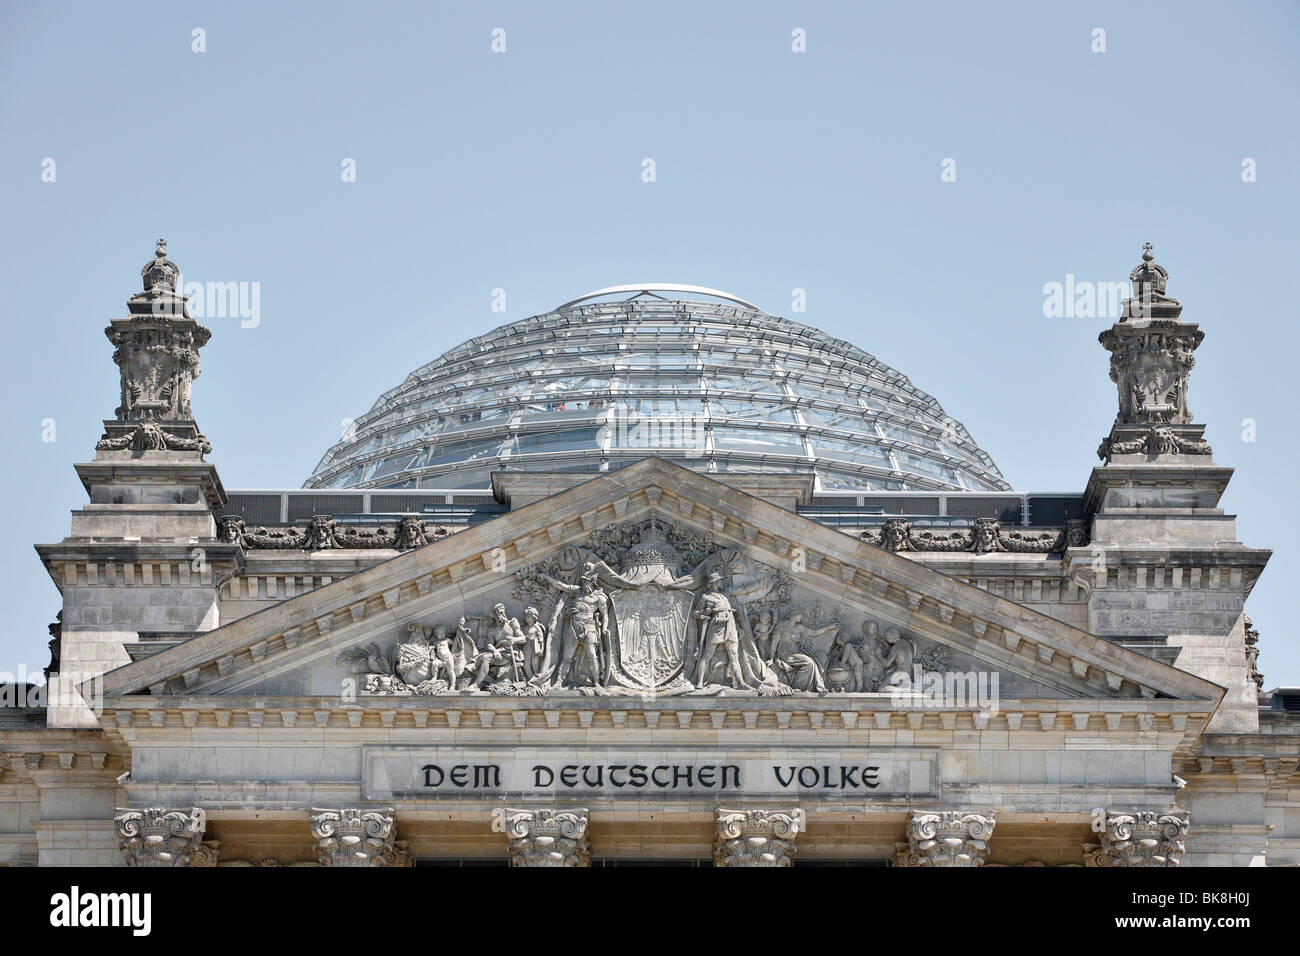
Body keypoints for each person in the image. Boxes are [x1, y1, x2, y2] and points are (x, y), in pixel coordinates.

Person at [693, 572, 753, 689]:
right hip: (717, 627)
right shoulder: (706, 597)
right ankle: (699, 682)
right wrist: (705, 612)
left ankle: (741, 683)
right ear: (714, 583)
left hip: (730, 626)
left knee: (734, 655)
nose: (721, 583)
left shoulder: (724, 597)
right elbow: (696, 613)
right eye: (719, 581)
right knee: (707, 654)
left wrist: (738, 628)